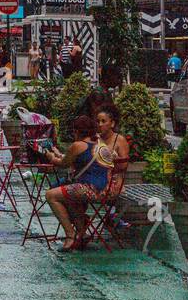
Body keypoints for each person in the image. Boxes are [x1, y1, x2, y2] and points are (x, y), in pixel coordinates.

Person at [45, 105, 129, 252]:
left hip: (97, 189)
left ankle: (70, 235)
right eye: (98, 121)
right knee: (67, 194)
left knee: (51, 195)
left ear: (76, 131)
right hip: (103, 186)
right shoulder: (98, 143)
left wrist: (51, 157)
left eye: (104, 121)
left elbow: (63, 164)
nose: (100, 124)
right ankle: (81, 231)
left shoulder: (79, 145)